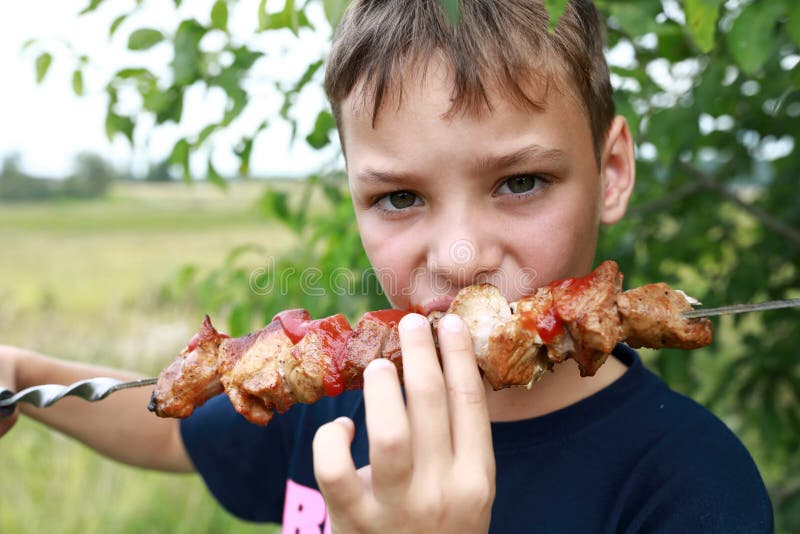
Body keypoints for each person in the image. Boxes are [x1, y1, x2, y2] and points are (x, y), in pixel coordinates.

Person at [0, 0, 774, 532]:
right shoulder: (333, 401)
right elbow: (177, 437)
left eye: (520, 182)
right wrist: (21, 374)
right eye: (401, 197)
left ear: (610, 173)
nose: (461, 255)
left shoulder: (690, 486)